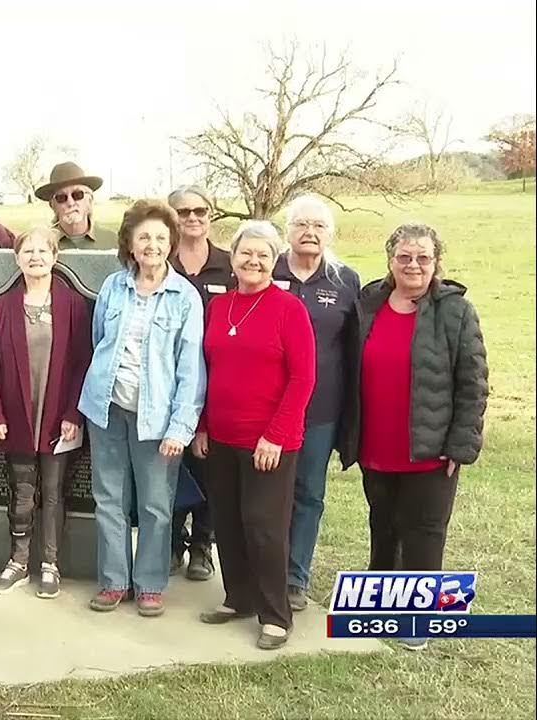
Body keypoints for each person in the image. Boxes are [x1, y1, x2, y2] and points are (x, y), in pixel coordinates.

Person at [340, 222, 487, 651]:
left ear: (436, 261)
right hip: (377, 445)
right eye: (404, 256)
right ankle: (379, 607)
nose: (414, 264)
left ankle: (417, 620)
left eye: (423, 257)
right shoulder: (370, 302)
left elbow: (473, 382)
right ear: (391, 260)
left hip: (430, 450)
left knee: (424, 531)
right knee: (383, 525)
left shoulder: (456, 311)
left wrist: (462, 443)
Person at [78, 201, 205, 616]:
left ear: (171, 244)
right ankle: (115, 582)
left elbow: (191, 367)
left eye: (160, 238)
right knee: (109, 498)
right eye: (144, 237)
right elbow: (99, 342)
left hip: (158, 419)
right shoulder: (114, 288)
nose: (152, 245)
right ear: (130, 244)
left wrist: (180, 427)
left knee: (154, 503)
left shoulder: (184, 297)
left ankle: (150, 583)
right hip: (108, 410)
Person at [193, 221, 315, 650]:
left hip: (269, 442)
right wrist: (203, 426)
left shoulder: (289, 309)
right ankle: (239, 597)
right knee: (227, 523)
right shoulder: (219, 306)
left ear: (274, 260)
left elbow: (303, 378)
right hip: (222, 437)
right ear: (234, 256)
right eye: (247, 253)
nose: (254, 261)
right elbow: (207, 373)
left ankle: (275, 614)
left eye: (264, 255)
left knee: (264, 528)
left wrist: (275, 436)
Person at [0, 226, 92, 599]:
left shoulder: (72, 305)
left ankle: (50, 564)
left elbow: (82, 363)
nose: (35, 257)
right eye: (27, 251)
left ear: (55, 258)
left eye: (43, 251)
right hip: (17, 417)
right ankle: (17, 561)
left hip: (58, 414)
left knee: (54, 491)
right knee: (23, 491)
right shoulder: (4, 307)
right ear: (17, 259)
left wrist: (73, 415)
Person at [272, 195, 361, 612]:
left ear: (331, 234)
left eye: (319, 226)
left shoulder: (346, 280)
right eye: (301, 224)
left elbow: (354, 348)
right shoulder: (264, 269)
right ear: (287, 230)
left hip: (321, 410)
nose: (309, 233)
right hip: (267, 407)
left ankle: (295, 577)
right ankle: (264, 572)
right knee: (268, 494)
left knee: (308, 494)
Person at [165, 185, 235, 581]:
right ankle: (174, 543)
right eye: (183, 211)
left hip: (220, 379)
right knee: (172, 467)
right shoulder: (160, 260)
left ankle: (202, 547)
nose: (192, 218)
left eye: (200, 210)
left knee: (210, 468)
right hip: (172, 381)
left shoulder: (229, 264)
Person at [33, 162, 111, 250]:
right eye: (61, 197)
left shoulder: (112, 241)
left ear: (90, 200)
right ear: (52, 205)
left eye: (77, 195)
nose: (70, 203)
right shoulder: (41, 244)